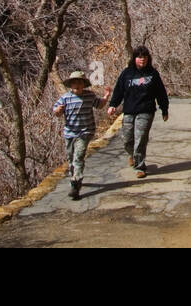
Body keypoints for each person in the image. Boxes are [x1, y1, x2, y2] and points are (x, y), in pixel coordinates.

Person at [107, 46, 169, 178]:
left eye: (145, 57)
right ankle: (132, 155)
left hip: (146, 111)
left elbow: (161, 92)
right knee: (127, 139)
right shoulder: (127, 73)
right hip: (129, 110)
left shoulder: (152, 74)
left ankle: (140, 166)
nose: (143, 60)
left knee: (140, 138)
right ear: (135, 58)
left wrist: (164, 109)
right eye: (140, 57)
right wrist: (113, 105)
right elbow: (119, 90)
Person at [52, 70, 110, 200]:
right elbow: (56, 111)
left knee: (78, 156)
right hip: (70, 133)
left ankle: (76, 184)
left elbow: (99, 105)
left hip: (86, 131)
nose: (77, 85)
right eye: (74, 82)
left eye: (80, 82)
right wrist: (58, 110)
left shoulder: (89, 96)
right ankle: (74, 178)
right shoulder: (66, 98)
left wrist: (106, 96)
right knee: (71, 158)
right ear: (70, 85)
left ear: (84, 84)